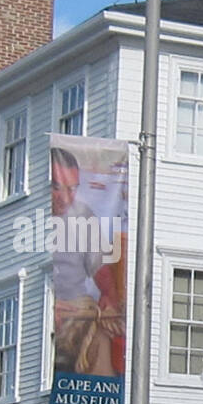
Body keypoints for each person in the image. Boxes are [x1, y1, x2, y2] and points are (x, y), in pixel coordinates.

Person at [50, 147, 124, 377]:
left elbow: (100, 267)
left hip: (76, 307)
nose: (65, 198)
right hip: (51, 309)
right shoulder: (30, 221)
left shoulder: (81, 214)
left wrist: (110, 300)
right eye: (56, 187)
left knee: (106, 335)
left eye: (72, 189)